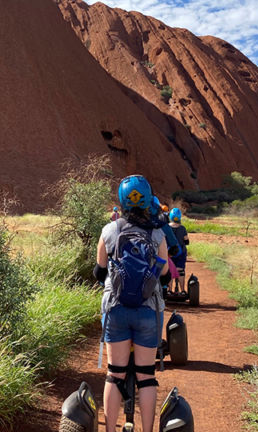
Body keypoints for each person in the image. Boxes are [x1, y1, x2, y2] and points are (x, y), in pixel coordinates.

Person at [94, 175, 170, 432]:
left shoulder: (110, 230)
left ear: (122, 201)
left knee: (114, 373)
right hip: (148, 310)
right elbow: (165, 274)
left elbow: (98, 270)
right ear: (147, 198)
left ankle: (110, 430)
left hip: (116, 309)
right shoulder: (158, 233)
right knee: (146, 376)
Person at [169, 208, 189, 294]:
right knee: (180, 271)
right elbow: (187, 241)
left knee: (169, 271)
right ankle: (183, 290)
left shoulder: (167, 227)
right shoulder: (182, 228)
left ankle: (169, 290)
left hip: (169, 253)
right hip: (181, 253)